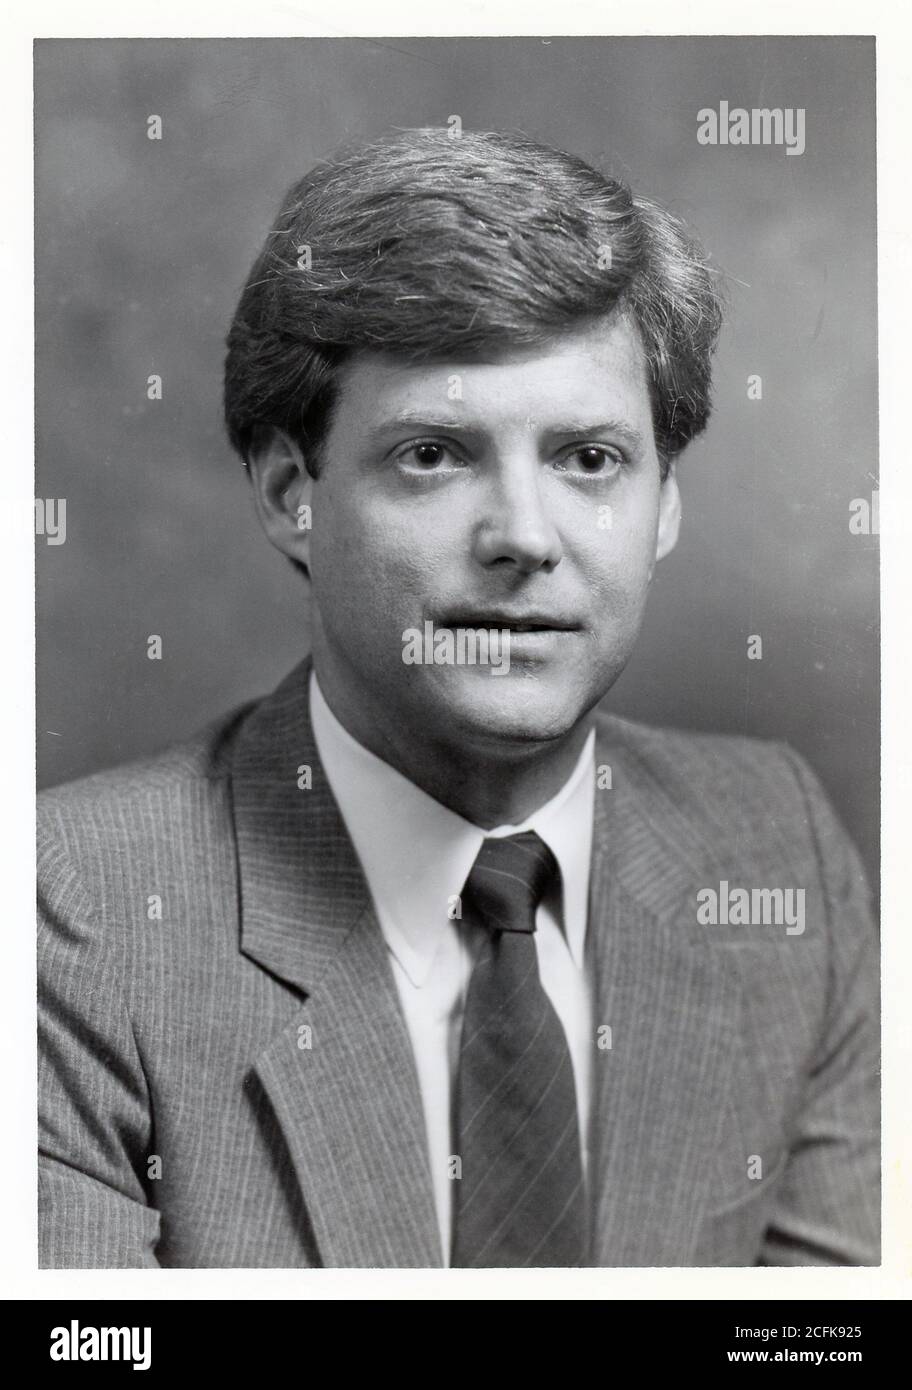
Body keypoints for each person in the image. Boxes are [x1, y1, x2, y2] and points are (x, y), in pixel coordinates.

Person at [38, 128, 879, 1268]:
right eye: (434, 454)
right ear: (294, 492)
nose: (524, 539)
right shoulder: (71, 917)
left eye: (589, 459)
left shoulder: (774, 850)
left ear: (665, 505)